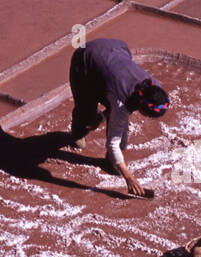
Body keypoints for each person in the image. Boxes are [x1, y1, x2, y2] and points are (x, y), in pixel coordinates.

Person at [67, 38, 170, 197]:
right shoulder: (121, 103)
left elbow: (120, 108)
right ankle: (78, 130)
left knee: (115, 115)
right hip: (86, 60)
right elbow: (112, 142)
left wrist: (102, 117)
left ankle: (111, 161)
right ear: (141, 108)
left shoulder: (155, 88)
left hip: (115, 51)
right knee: (87, 113)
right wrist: (128, 177)